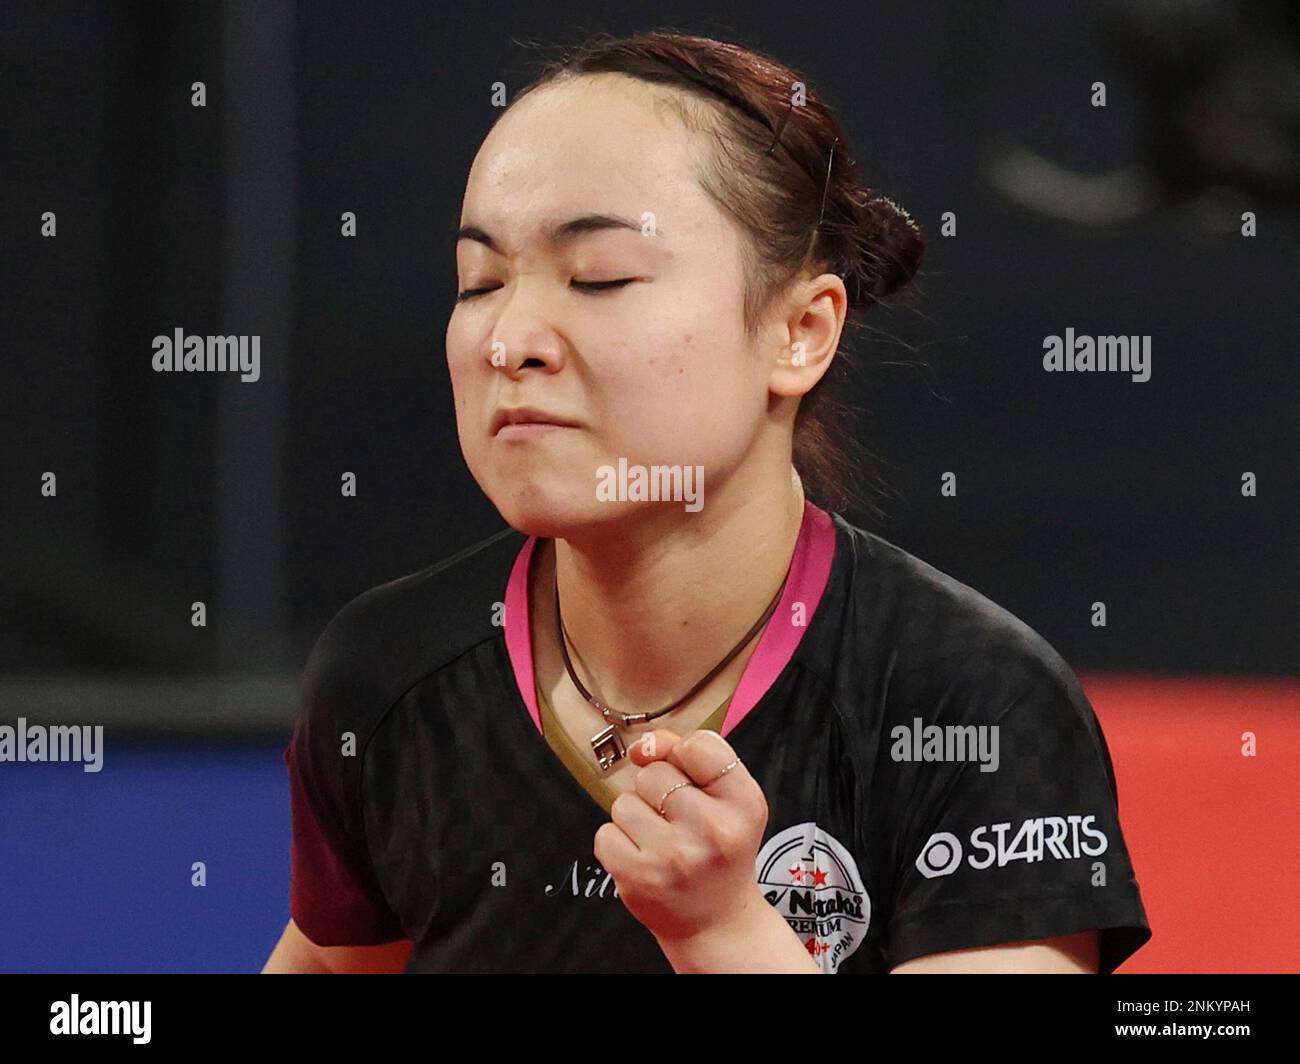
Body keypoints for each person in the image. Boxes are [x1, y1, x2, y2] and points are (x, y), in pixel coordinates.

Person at [263, 29, 1151, 974]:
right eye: (480, 282)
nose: (509, 339)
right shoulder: (387, 674)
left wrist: (723, 933)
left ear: (799, 331)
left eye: (598, 277)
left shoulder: (975, 703)